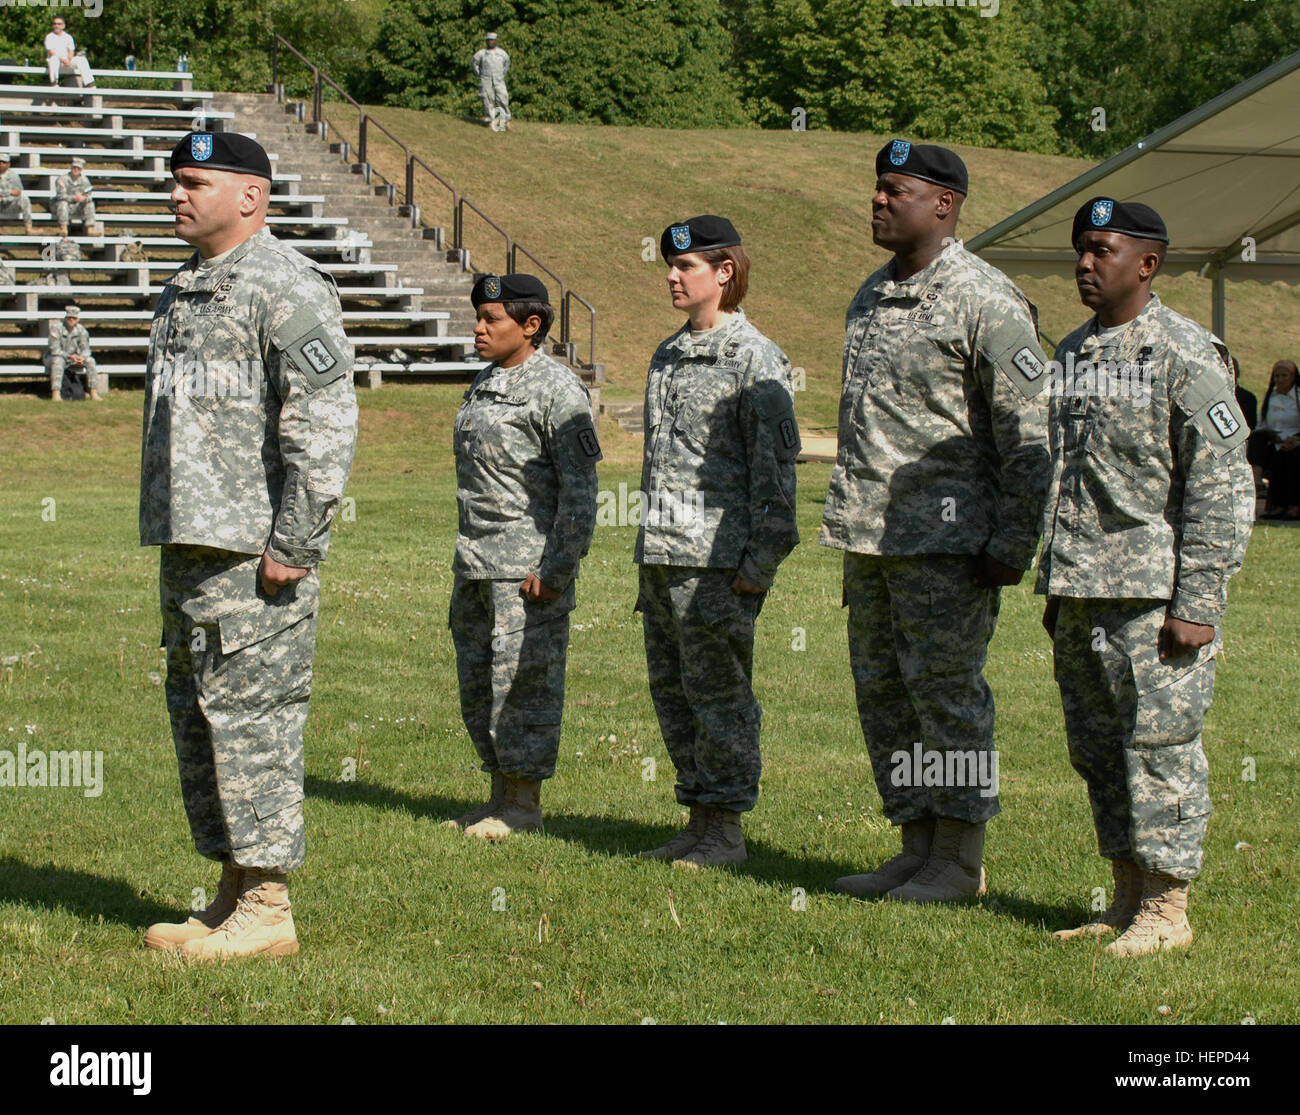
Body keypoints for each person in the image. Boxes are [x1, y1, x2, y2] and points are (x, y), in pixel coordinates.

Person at [139, 132, 358, 960]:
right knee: (200, 717)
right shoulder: (183, 289)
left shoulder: (287, 286)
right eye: (175, 183)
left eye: (196, 182)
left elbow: (324, 421)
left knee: (254, 717)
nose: (178, 195)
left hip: (255, 550)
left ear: (250, 196)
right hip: (191, 540)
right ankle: (233, 886)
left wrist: (296, 539)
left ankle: (269, 903)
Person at [822, 141, 1051, 903]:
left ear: (944, 205)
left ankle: (959, 857)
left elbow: (1030, 434)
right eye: (877, 189)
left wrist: (1013, 540)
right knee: (886, 698)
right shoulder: (870, 295)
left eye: (896, 190)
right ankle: (915, 844)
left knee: (948, 699)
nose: (879, 201)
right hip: (874, 540)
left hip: (949, 548)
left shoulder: (985, 299)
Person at [1040, 198, 1253, 956]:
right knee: (1098, 750)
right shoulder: (1070, 353)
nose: (1085, 263)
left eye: (1102, 250)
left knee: (1161, 746)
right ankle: (1126, 891)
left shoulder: (1186, 353)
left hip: (1155, 597)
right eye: (1081, 250)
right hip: (1081, 589)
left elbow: (1222, 486)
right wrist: (1056, 582)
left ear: (1148, 264)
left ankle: (1168, 907)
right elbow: (1064, 478)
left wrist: (1198, 599)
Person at [634, 215, 800, 869]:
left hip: (717, 562)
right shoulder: (668, 353)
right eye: (670, 266)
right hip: (662, 556)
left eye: (688, 266)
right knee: (674, 694)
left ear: (725, 272)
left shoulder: (755, 357)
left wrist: (760, 560)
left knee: (720, 695)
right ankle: (697, 818)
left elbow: (776, 473)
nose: (673, 276)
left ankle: (726, 829)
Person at [447, 273, 600, 840]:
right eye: (479, 317)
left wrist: (556, 570)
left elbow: (580, 492)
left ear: (531, 325)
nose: (479, 328)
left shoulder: (557, 389)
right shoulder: (485, 381)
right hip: (475, 563)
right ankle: (497, 795)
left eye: (493, 320)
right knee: (481, 684)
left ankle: (523, 805)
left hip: (526, 571)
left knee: (523, 688)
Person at [1248, 360, 1300, 518]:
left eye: (1285, 375)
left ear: (1293, 377)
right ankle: (1258, 480)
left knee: (1291, 458)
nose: (1280, 379)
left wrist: (1295, 440)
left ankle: (1294, 506)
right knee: (1257, 439)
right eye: (1277, 376)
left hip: (1295, 440)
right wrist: (1274, 437)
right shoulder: (1271, 397)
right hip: (1275, 440)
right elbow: (1262, 425)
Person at [46, 304, 101, 401]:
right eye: (69, 318)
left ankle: (93, 392)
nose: (71, 320)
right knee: (58, 361)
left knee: (90, 361)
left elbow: (86, 349)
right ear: (65, 318)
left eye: (74, 318)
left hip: (73, 358)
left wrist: (81, 358)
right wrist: (70, 356)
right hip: (54, 357)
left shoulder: (81, 330)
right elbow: (54, 349)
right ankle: (56, 393)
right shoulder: (56, 328)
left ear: (78, 319)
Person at [471, 32, 511, 131]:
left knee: (503, 99)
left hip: (499, 80)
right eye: (489, 40)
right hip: (486, 81)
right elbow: (474, 64)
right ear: (486, 41)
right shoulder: (481, 53)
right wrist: (479, 74)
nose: (491, 42)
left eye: (492, 40)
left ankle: (505, 122)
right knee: (487, 100)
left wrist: (502, 75)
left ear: (496, 41)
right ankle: (489, 121)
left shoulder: (502, 53)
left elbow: (507, 64)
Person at [44, 16, 95, 88]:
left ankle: (90, 84)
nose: (56, 26)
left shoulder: (68, 37)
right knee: (54, 58)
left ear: (63, 25)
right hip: (56, 63)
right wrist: (63, 60)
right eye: (54, 24)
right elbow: (51, 51)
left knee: (81, 59)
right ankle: (54, 83)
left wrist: (69, 59)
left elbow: (71, 51)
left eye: (59, 24)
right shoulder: (49, 37)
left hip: (67, 61)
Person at [54, 158, 100, 238]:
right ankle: (63, 228)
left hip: (78, 206)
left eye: (78, 168)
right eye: (74, 167)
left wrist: (83, 198)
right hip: (65, 206)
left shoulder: (84, 180)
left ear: (82, 170)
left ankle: (90, 229)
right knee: (62, 204)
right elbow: (61, 196)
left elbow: (89, 195)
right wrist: (73, 198)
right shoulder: (62, 179)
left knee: (90, 204)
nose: (76, 170)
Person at [0, 152, 34, 235]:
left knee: (24, 199)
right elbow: (13, 192)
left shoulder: (13, 175)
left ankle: (29, 228)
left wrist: (4, 193)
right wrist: (10, 192)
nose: (1, 164)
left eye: (3, 162)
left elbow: (18, 192)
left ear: (8, 164)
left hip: (9, 203)